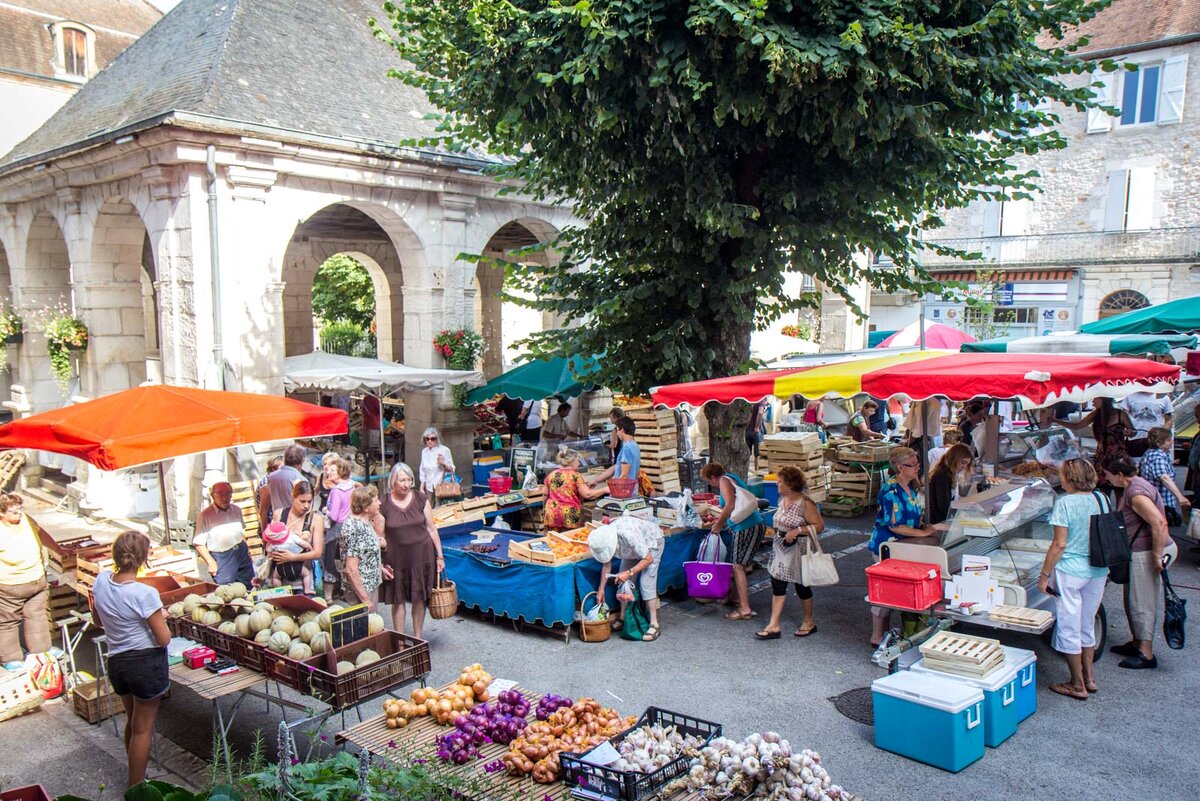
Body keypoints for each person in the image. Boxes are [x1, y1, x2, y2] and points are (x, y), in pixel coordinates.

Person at [91, 531, 170, 787]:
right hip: (145, 663)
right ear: (143, 559)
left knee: (133, 721)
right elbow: (164, 639)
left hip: (118, 662)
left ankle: (137, 775)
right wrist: (162, 618)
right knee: (143, 728)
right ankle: (135, 788)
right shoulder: (144, 594)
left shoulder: (101, 581)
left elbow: (97, 620)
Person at [1038, 459, 1109, 699]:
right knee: (1086, 623)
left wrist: (1044, 575)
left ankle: (1076, 684)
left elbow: (1059, 544)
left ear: (1069, 478)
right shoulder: (1102, 499)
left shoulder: (1065, 503)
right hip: (1098, 569)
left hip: (1071, 571)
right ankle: (1089, 678)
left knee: (1068, 625)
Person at [1105, 455, 1176, 670]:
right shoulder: (1135, 485)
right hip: (1139, 551)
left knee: (1142, 601)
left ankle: (1146, 652)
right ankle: (1137, 642)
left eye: (1108, 475)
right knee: (1132, 598)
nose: (1107, 479)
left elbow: (1159, 523)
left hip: (1146, 552)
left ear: (1119, 474)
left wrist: (1156, 554)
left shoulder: (1136, 493)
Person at [869, 447, 938, 646]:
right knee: (884, 591)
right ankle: (876, 636)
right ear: (899, 467)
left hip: (906, 546)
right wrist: (924, 533)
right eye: (912, 465)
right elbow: (895, 526)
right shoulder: (890, 490)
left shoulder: (912, 486)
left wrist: (923, 526)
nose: (917, 468)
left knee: (896, 590)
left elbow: (914, 516)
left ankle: (889, 633)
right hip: (888, 546)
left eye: (917, 464)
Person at [755, 466, 824, 640]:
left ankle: (809, 621)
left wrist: (798, 530)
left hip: (798, 548)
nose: (777, 483)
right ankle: (773, 624)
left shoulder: (805, 503)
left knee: (801, 585)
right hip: (780, 547)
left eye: (780, 481)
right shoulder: (782, 499)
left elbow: (819, 526)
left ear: (791, 484)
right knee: (777, 584)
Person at [379, 463, 444, 638]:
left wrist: (440, 556)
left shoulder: (421, 498)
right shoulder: (384, 503)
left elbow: (431, 528)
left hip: (421, 556)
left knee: (419, 598)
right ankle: (400, 640)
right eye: (402, 480)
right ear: (393, 481)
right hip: (396, 559)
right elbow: (380, 537)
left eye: (409, 480)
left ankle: (417, 637)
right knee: (398, 600)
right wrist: (381, 564)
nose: (406, 484)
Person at [701, 462, 765, 622]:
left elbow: (729, 506)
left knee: (737, 567)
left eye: (709, 481)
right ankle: (736, 597)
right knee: (740, 565)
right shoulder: (732, 477)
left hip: (745, 527)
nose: (711, 485)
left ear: (713, 477)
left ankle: (744, 608)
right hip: (752, 525)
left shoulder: (723, 481)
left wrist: (717, 525)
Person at [588, 514, 666, 641]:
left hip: (652, 542)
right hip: (633, 548)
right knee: (623, 583)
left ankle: (654, 623)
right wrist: (601, 589)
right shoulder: (606, 537)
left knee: (646, 582)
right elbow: (606, 566)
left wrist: (629, 572)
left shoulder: (629, 536)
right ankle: (623, 618)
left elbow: (648, 559)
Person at [0, 493, 51, 670]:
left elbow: (41, 532)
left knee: (37, 615)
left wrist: (59, 549)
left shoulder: (27, 520)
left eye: (21, 509)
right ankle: (12, 658)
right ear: (1, 513)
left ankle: (41, 650)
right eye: (14, 512)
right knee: (8, 621)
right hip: (10, 584)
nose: (19, 514)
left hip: (36, 578)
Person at [267, 480, 324, 595]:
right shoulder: (279, 514)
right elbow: (270, 539)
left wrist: (293, 557)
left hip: (303, 578)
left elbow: (317, 553)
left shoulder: (316, 519)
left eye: (309, 501)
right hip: (279, 574)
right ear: (293, 497)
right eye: (302, 501)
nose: (306, 506)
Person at [192, 481, 254, 587]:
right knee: (227, 589)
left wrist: (247, 552)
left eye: (227, 493)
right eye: (220, 494)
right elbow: (198, 543)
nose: (224, 497)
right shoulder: (205, 515)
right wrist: (211, 562)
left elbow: (241, 533)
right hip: (222, 556)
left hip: (240, 551)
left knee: (250, 585)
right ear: (212, 496)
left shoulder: (236, 510)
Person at [1062, 398, 1133, 484]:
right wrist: (1056, 421)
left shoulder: (1120, 414)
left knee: (1119, 483)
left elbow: (1133, 432)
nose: (1093, 401)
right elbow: (1076, 426)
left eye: (1096, 399)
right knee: (1102, 484)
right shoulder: (1095, 414)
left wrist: (1130, 432)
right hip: (1102, 456)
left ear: (1104, 400)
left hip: (1118, 457)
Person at [341, 486, 387, 613]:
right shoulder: (356, 528)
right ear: (366, 507)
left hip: (370, 584)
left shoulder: (365, 522)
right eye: (376, 500)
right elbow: (350, 569)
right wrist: (365, 599)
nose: (380, 503)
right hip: (361, 589)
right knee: (367, 629)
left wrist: (380, 567)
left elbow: (363, 551)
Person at [543, 449, 608, 531]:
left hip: (551, 513)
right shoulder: (575, 476)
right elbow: (587, 494)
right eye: (578, 460)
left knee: (553, 540)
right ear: (572, 462)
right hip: (569, 514)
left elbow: (545, 494)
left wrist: (545, 508)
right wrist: (604, 490)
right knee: (569, 538)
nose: (579, 463)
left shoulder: (551, 474)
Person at [321, 457, 357, 599]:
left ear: (341, 472)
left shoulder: (336, 491)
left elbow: (334, 516)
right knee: (346, 562)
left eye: (333, 470)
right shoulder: (351, 486)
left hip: (336, 530)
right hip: (350, 527)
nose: (329, 473)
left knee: (330, 563)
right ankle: (347, 593)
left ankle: (329, 597)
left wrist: (325, 510)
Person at [1139, 426, 1190, 526]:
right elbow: (1164, 477)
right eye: (1169, 440)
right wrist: (1180, 496)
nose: (1172, 442)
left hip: (1157, 501)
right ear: (1159, 442)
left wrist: (1171, 463)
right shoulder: (1158, 456)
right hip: (1161, 502)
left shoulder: (1151, 453)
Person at [927, 444, 974, 526]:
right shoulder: (943, 475)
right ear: (954, 459)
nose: (964, 466)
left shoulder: (949, 473)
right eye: (963, 462)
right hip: (938, 523)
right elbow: (943, 507)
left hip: (942, 521)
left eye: (967, 464)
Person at [590, 416, 641, 492]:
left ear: (622, 430)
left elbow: (624, 475)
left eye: (617, 430)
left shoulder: (627, 448)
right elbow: (616, 466)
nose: (617, 433)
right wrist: (596, 480)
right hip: (631, 491)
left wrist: (615, 490)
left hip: (624, 492)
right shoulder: (634, 446)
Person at [265, 444, 306, 519]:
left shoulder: (271, 477)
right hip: (295, 521)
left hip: (278, 520)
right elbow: (304, 506)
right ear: (301, 462)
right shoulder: (300, 479)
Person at [417, 427, 456, 494]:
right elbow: (422, 469)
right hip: (429, 486)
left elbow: (452, 469)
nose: (429, 441)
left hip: (442, 485)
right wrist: (421, 486)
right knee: (429, 504)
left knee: (440, 504)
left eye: (432, 439)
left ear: (437, 439)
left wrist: (442, 463)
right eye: (427, 439)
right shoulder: (424, 451)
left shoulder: (444, 450)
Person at [255, 455, 284, 531]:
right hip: (271, 527)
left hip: (280, 523)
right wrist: (265, 536)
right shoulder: (267, 487)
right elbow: (263, 513)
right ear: (273, 469)